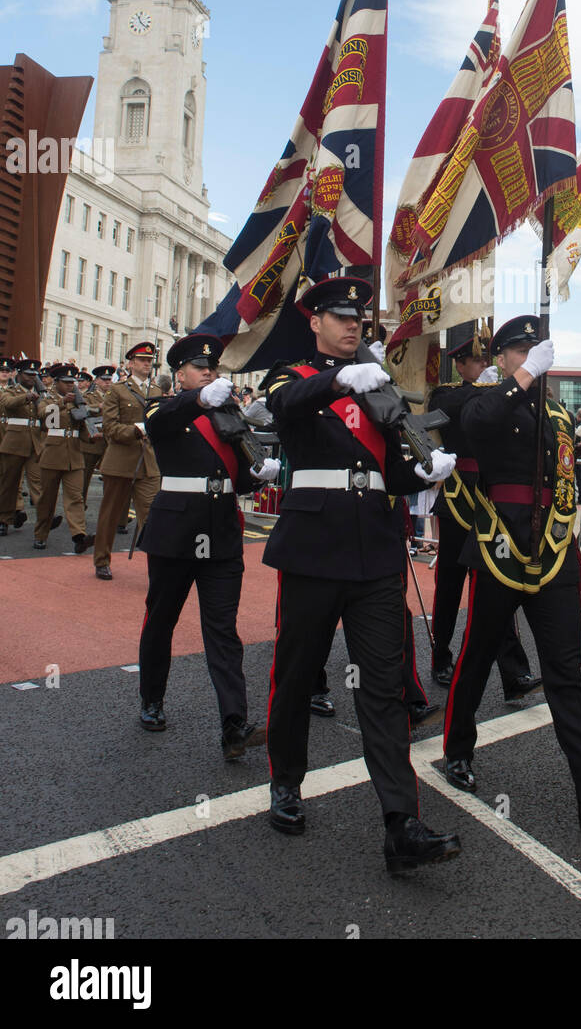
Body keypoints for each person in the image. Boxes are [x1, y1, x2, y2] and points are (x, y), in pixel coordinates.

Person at [262, 276, 461, 873]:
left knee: (382, 687)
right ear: (316, 322)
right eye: (341, 317)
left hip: (375, 549)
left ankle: (401, 823)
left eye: (360, 319)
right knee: (297, 672)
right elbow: (281, 408)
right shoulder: (293, 376)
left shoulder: (381, 388)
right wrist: (338, 380)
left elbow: (387, 470)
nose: (354, 326)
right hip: (313, 548)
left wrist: (425, 474)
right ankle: (286, 780)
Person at [443, 315, 581, 833]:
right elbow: (477, 423)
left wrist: (567, 538)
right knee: (479, 653)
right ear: (503, 357)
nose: (529, 356)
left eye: (536, 349)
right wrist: (523, 378)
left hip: (552, 549)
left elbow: (564, 479)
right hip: (500, 546)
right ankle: (459, 748)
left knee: (564, 671)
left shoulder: (557, 413)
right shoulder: (486, 399)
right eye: (518, 350)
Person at [137, 334, 280, 758]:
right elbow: (161, 423)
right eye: (201, 369)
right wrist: (198, 399)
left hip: (220, 533)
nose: (210, 374)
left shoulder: (228, 413)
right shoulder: (164, 406)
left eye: (213, 369)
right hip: (176, 532)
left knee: (222, 630)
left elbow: (236, 474)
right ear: (180, 375)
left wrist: (259, 474)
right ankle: (151, 698)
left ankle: (233, 723)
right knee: (161, 619)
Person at [428, 327, 539, 699]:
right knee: (450, 582)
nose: (482, 364)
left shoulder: (505, 394)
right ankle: (440, 654)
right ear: (459, 364)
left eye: (484, 358)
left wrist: (499, 390)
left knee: (496, 582)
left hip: (490, 495)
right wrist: (488, 389)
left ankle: (514, 673)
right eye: (474, 359)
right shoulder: (448, 393)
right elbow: (453, 411)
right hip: (460, 493)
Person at [92, 341, 163, 581]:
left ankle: (158, 568)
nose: (146, 364)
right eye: (142, 360)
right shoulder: (117, 391)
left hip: (148, 463)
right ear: (131, 363)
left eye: (149, 361)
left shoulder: (156, 392)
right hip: (121, 461)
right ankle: (101, 560)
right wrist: (136, 430)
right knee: (110, 515)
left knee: (152, 517)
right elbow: (110, 428)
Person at [32, 366, 95, 554]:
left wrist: (92, 436)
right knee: (47, 499)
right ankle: (41, 534)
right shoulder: (49, 399)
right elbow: (45, 417)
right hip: (52, 455)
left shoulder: (78, 401)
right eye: (66, 383)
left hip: (74, 456)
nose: (70, 386)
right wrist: (62, 402)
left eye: (72, 383)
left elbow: (81, 428)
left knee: (75, 497)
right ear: (57, 382)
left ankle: (79, 536)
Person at [0, 358, 49, 536]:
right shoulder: (11, 391)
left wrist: (51, 406)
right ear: (19, 375)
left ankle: (45, 519)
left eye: (34, 375)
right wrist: (26, 397)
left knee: (39, 484)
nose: (31, 378)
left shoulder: (42, 394)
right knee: (9, 483)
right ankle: (4, 519)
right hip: (14, 444)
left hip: (35, 444)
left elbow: (50, 421)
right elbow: (8, 403)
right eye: (28, 375)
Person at [79, 368, 112, 506]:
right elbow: (82, 410)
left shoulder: (114, 396)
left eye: (109, 380)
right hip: (93, 441)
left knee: (110, 478)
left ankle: (112, 510)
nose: (107, 383)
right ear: (97, 381)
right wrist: (98, 407)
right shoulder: (88, 396)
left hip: (110, 441)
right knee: (84, 477)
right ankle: (80, 505)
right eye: (104, 380)